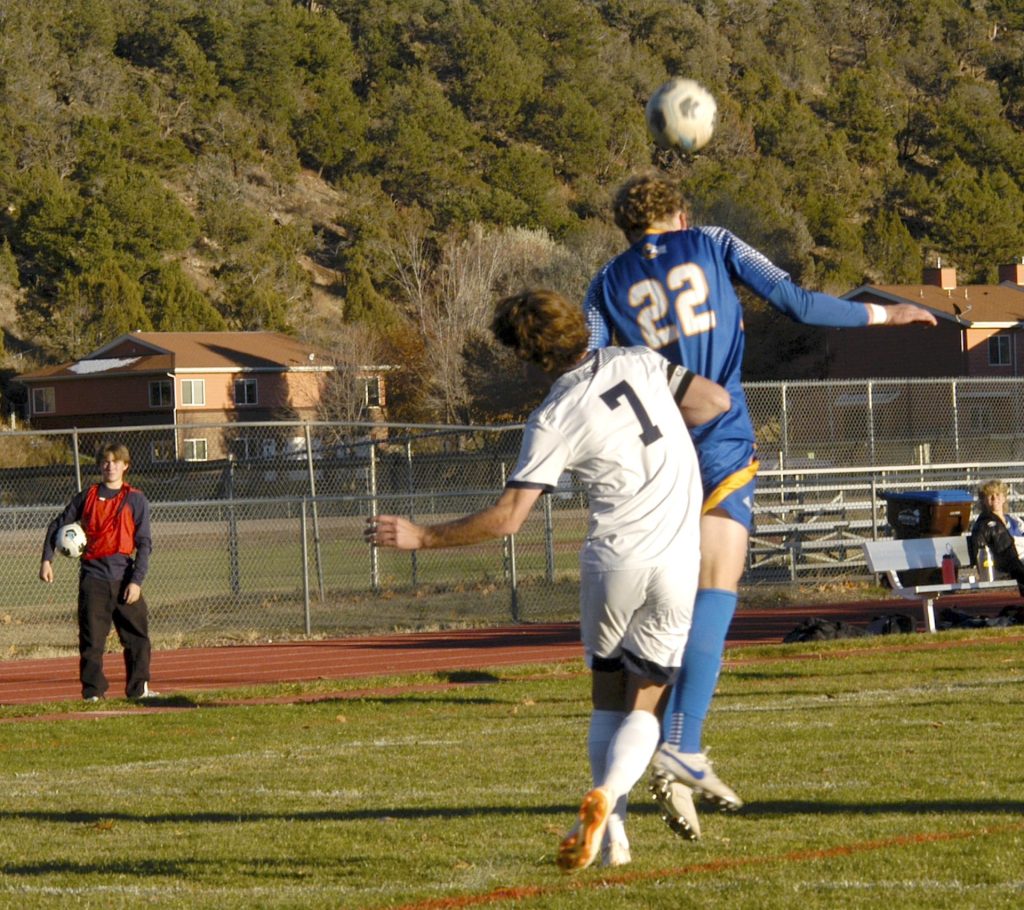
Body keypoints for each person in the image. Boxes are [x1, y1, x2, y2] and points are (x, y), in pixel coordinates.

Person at [584, 171, 938, 828]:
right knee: (714, 589)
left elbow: (589, 367)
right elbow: (796, 302)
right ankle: (682, 744)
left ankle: (634, 779)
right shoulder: (713, 241)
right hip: (718, 438)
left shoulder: (604, 281)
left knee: (659, 611)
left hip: (650, 453)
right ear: (681, 215)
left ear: (627, 227)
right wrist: (886, 313)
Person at [366, 288, 730, 869]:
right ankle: (609, 809)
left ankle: (614, 835)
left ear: (528, 356)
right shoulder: (640, 361)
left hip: (614, 563)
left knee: (606, 701)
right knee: (647, 705)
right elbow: (713, 401)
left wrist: (423, 536)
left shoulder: (554, 417)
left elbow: (509, 518)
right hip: (675, 562)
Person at [39, 443, 158, 702]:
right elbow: (57, 525)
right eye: (106, 461)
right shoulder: (87, 497)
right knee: (92, 641)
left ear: (125, 466)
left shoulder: (136, 499)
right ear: (100, 466)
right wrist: (47, 559)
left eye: (116, 462)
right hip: (93, 580)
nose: (110, 466)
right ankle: (93, 693)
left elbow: (144, 543)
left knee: (137, 638)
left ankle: (139, 689)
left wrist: (136, 581)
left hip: (124, 579)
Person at [969, 480, 1024, 594]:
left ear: (1004, 498)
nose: (995, 498)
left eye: (998, 494)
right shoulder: (987, 524)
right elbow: (1008, 556)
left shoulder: (1015, 521)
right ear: (983, 501)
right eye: (990, 496)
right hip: (1007, 571)